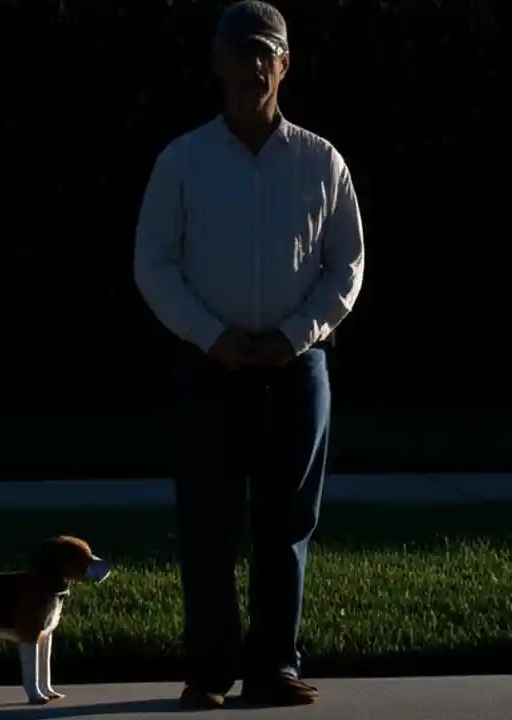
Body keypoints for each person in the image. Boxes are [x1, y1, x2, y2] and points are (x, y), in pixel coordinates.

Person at [132, 0, 365, 709]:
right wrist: (214, 336)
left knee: (288, 524)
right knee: (207, 522)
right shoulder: (183, 160)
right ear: (217, 64)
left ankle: (273, 668)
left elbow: (346, 265)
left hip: (297, 370)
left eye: (266, 53)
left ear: (284, 64)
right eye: (241, 52)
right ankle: (208, 672)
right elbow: (154, 263)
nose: (253, 66)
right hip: (209, 370)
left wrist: (296, 335)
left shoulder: (321, 161)